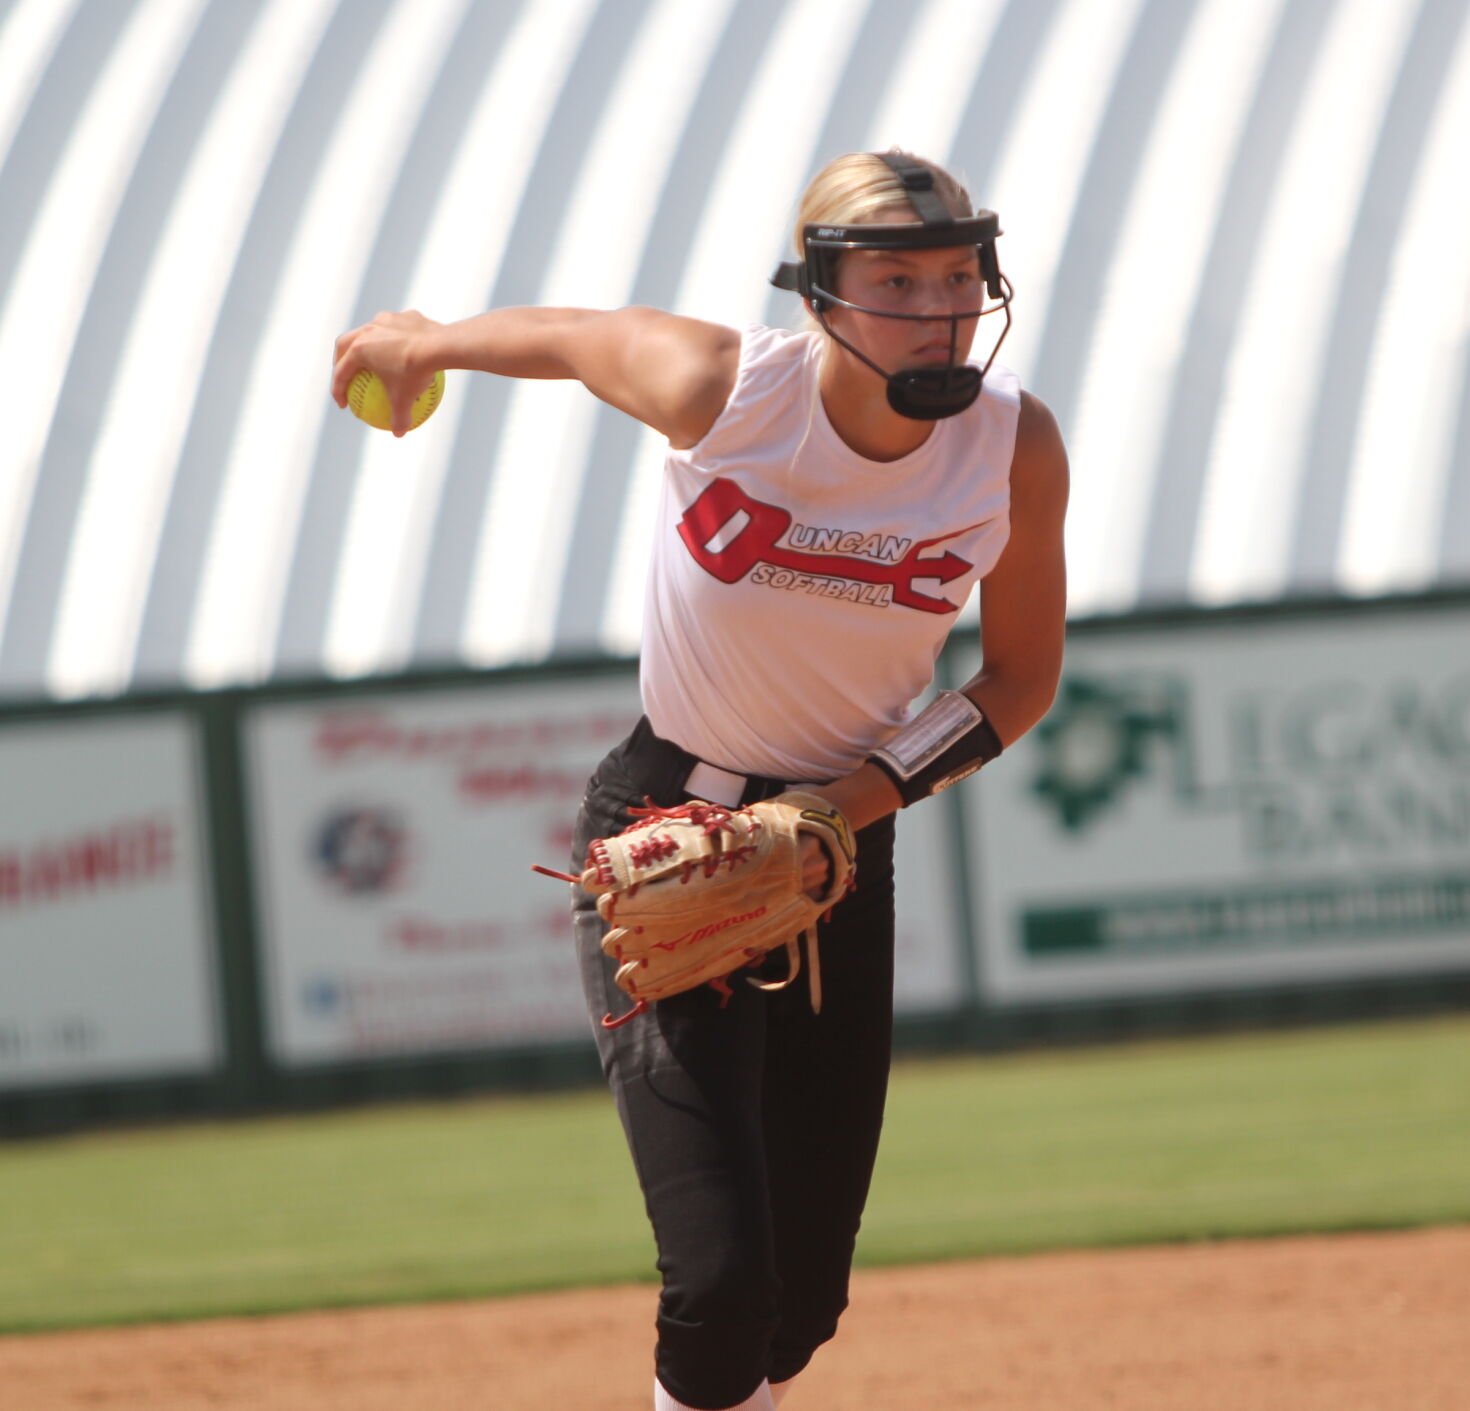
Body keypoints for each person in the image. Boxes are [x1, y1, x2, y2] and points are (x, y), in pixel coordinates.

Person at [332, 149, 1068, 1411]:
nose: (939, 307)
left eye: (960, 276)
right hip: (666, 822)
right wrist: (421, 340)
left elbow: (1017, 680)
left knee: (801, 1302)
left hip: (841, 847)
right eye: (898, 278)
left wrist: (848, 807)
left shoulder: (1013, 450)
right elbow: (571, 336)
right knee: (722, 1281)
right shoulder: (728, 390)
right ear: (822, 295)